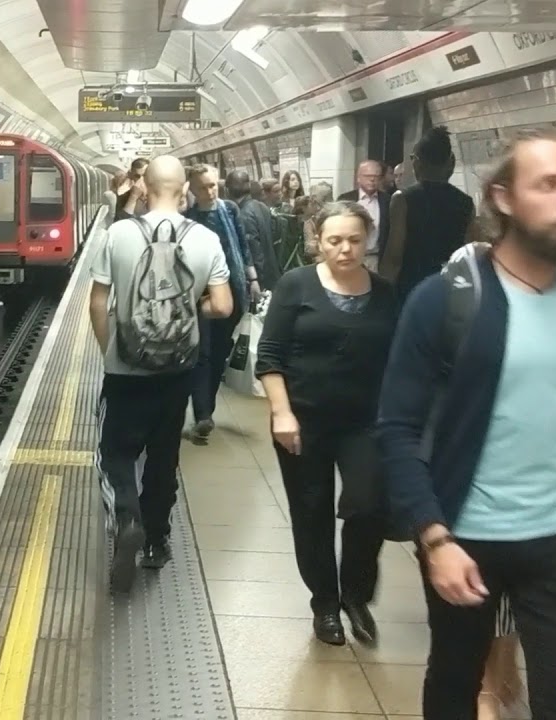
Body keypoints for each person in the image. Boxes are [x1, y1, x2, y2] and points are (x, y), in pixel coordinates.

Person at [377, 126, 556, 720]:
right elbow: (396, 427)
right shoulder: (443, 301)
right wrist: (433, 536)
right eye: (549, 184)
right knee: (455, 678)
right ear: (502, 198)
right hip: (467, 534)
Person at [255, 201, 398, 646]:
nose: (345, 249)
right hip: (304, 421)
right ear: (317, 240)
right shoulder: (295, 286)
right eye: (335, 240)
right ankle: (326, 604)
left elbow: (401, 360)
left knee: (369, 504)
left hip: (366, 422)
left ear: (367, 239)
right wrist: (281, 412)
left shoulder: (387, 293)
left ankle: (356, 593)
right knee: (312, 512)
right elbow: (270, 356)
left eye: (355, 240)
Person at [89, 155, 234, 591]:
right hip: (178, 369)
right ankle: (156, 542)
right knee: (163, 455)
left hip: (126, 368)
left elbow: (98, 301)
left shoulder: (118, 233)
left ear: (143, 188)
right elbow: (224, 306)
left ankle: (126, 516)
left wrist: (110, 351)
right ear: (185, 191)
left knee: (115, 452)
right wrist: (188, 309)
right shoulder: (205, 237)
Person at [183, 164, 262, 441]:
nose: (210, 190)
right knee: (202, 354)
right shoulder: (188, 218)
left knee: (219, 353)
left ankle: (207, 409)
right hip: (201, 296)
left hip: (233, 291)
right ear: (191, 189)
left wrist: (252, 280)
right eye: (203, 186)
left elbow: (242, 245)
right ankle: (203, 414)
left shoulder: (230, 210)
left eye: (213, 185)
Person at [379, 126, 482, 300]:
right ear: (451, 162)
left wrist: (382, 293)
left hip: (411, 286)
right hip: (448, 286)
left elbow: (394, 256)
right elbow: (468, 252)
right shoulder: (466, 202)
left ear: (417, 162)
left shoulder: (403, 199)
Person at [338, 161, 392, 271]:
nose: (372, 180)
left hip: (376, 259)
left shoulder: (388, 201)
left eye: (376, 176)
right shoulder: (345, 199)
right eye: (367, 176)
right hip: (350, 256)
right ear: (358, 178)